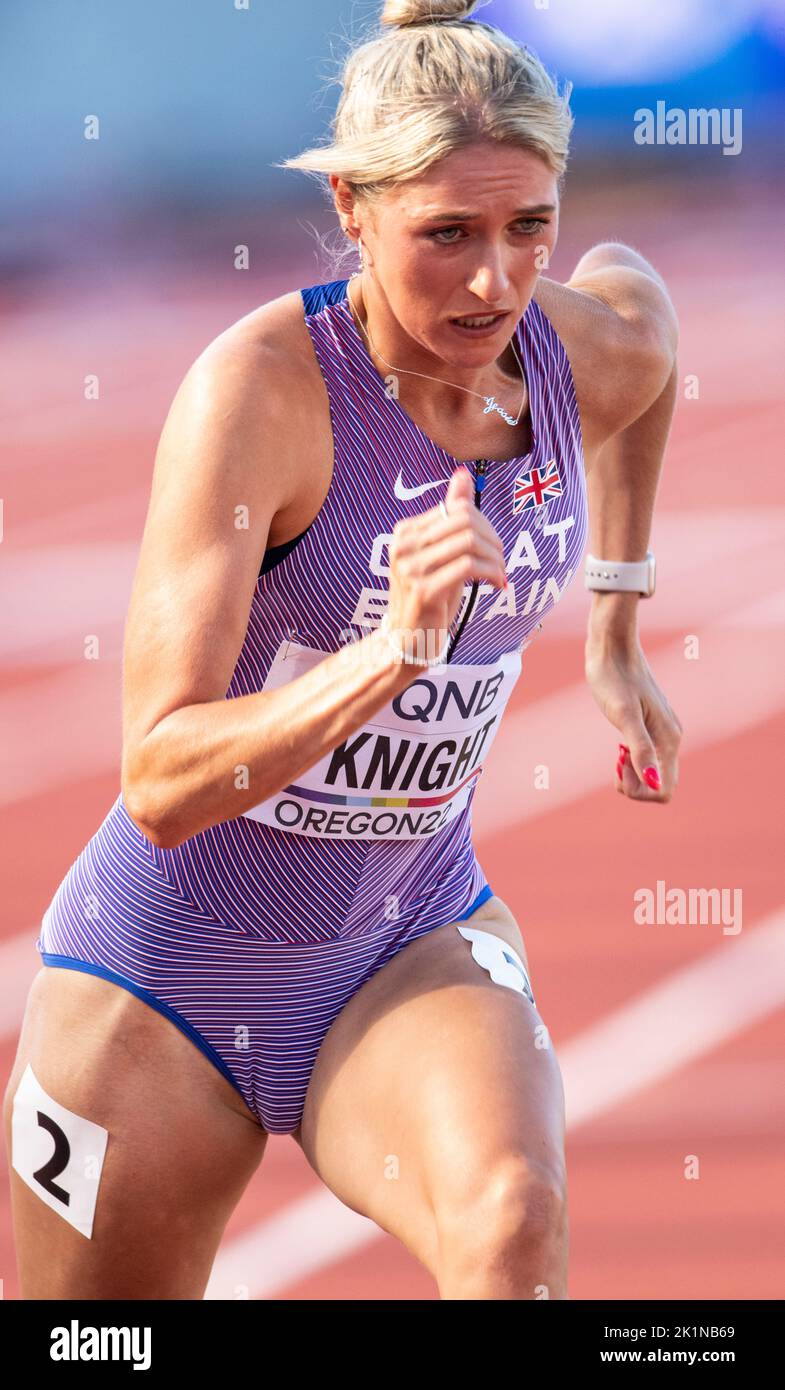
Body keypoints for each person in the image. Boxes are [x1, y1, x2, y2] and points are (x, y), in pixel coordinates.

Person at [4, 0, 682, 1300]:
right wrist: (385, 652)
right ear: (354, 208)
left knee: (508, 1221)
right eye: (445, 235)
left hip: (404, 938)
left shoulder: (566, 354)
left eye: (526, 227)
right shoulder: (258, 396)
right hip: (157, 981)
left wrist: (617, 618)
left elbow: (648, 332)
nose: (493, 281)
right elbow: (159, 773)